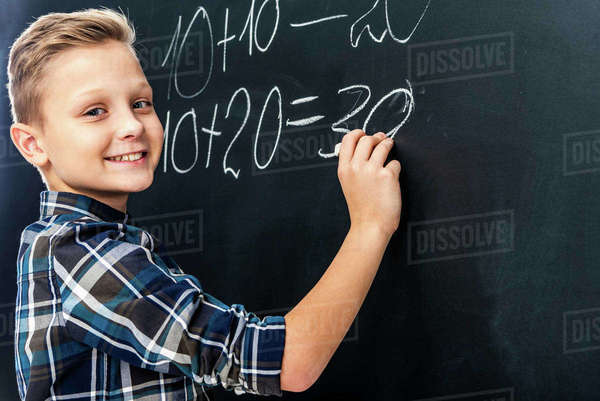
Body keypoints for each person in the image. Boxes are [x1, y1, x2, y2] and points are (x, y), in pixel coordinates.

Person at [7, 7, 402, 401]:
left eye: (141, 103)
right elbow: (288, 362)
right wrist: (370, 224)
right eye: (95, 112)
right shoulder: (84, 254)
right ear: (33, 144)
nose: (131, 126)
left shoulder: (89, 244)